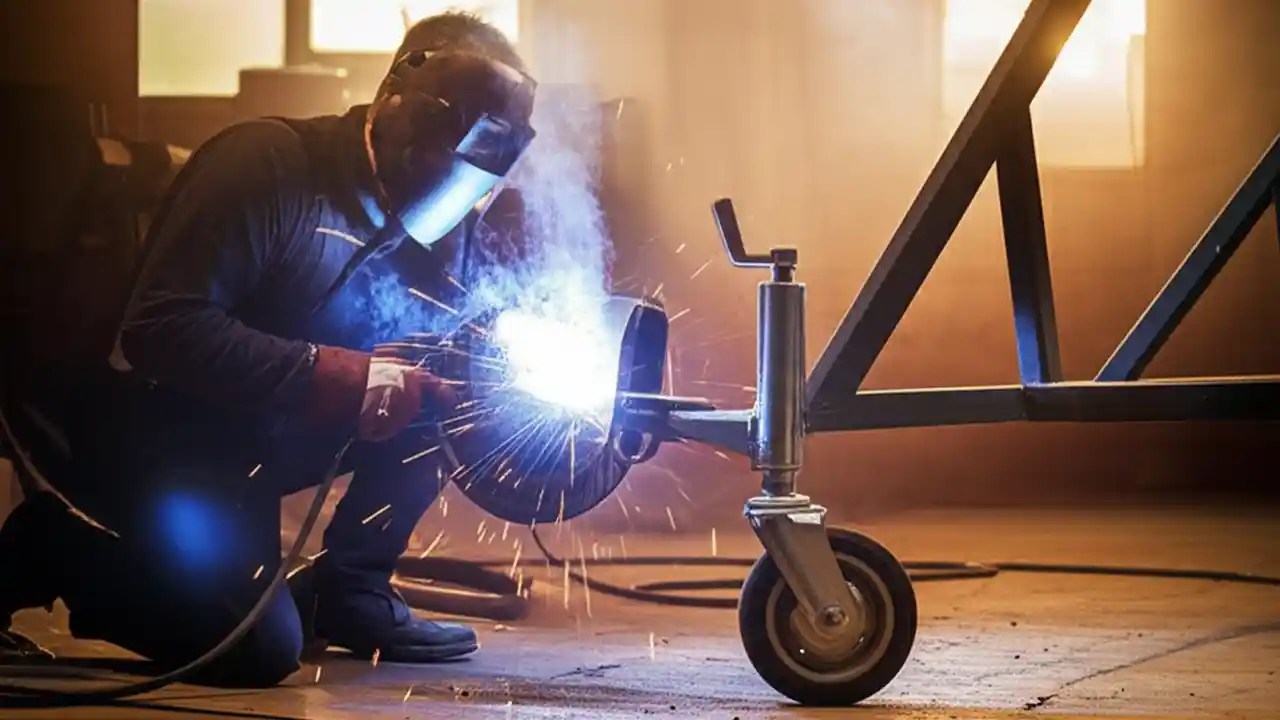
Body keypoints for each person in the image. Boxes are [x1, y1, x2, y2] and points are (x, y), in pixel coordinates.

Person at [0, 12, 536, 687]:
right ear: (403, 107)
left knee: (446, 387)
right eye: (454, 151)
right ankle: (55, 548)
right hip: (149, 433)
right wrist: (327, 372)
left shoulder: (450, 222)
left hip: (257, 435)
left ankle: (351, 588)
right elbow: (158, 330)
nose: (459, 182)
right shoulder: (268, 166)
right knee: (259, 650)